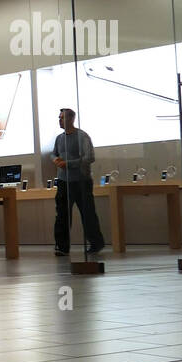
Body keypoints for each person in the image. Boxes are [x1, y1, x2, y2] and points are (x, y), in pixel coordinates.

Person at [52, 107, 106, 256]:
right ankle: (62, 247)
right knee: (62, 214)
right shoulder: (59, 138)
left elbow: (89, 157)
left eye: (62, 118)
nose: (59, 120)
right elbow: (53, 153)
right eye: (59, 117)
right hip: (64, 182)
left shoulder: (82, 136)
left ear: (71, 119)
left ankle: (96, 243)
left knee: (87, 214)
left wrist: (68, 163)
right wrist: (55, 159)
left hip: (81, 181)